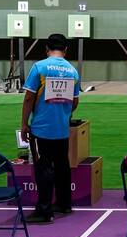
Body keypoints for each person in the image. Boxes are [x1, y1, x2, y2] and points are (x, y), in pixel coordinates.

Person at [19, 33, 83, 224]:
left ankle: (44, 211)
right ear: (66, 49)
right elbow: (75, 101)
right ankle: (64, 204)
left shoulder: (40, 67)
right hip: (61, 129)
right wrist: (62, 114)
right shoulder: (73, 71)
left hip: (41, 130)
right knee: (62, 166)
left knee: (44, 169)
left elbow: (29, 97)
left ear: (46, 49)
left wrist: (24, 123)